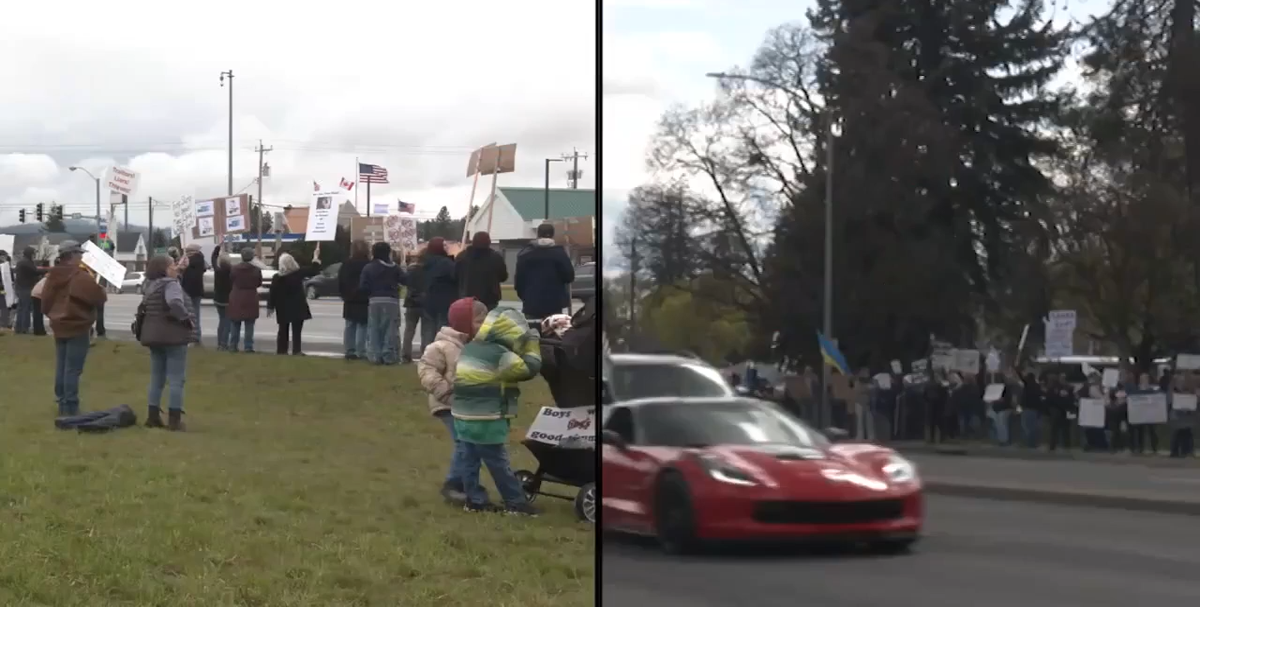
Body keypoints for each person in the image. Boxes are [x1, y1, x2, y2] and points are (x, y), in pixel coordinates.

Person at [452, 302, 542, 515]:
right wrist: (531, 344)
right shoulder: (499, 353)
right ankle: (516, 503)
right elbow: (529, 369)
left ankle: (474, 501)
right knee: (498, 462)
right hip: (487, 417)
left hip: (462, 415)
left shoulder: (470, 348)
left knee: (469, 460)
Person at [418, 297, 489, 504]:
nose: (483, 326)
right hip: (447, 404)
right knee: (464, 442)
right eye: (478, 321)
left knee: (473, 444)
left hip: (467, 404)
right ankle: (453, 484)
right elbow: (426, 370)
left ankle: (468, 484)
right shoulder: (441, 346)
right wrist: (445, 392)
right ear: (464, 322)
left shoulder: (475, 346)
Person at [41, 241, 108, 416]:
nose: (82, 257)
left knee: (62, 366)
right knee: (73, 369)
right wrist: (99, 287)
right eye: (79, 254)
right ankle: (70, 406)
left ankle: (62, 401)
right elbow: (98, 298)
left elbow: (45, 302)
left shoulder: (52, 275)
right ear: (71, 256)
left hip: (59, 326)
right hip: (78, 327)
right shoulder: (80, 276)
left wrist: (55, 316)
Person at [136, 254, 196, 430]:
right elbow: (175, 302)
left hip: (153, 335)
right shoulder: (171, 285)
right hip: (173, 336)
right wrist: (186, 319)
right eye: (172, 265)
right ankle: (174, 419)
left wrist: (180, 270)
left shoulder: (149, 285)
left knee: (157, 378)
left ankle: (153, 416)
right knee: (177, 379)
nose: (175, 267)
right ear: (164, 269)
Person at [267, 247, 322, 355]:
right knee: (297, 331)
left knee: (283, 330)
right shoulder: (298, 273)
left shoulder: (277, 278)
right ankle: (296, 350)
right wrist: (315, 257)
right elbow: (314, 270)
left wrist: (270, 306)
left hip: (282, 307)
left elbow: (272, 293)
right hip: (297, 306)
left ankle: (281, 350)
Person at [514, 222, 574, 321]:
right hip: (554, 302)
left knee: (533, 331)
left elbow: (519, 280)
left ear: (538, 234)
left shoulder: (525, 254)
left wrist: (525, 296)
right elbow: (569, 276)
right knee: (553, 331)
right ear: (553, 234)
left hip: (531, 301)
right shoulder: (559, 253)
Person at [359, 242, 406, 365]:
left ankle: (375, 355)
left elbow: (363, 286)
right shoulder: (394, 267)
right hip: (391, 300)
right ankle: (389, 355)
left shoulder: (368, 267)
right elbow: (405, 280)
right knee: (391, 329)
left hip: (374, 300)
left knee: (374, 328)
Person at [420, 236, 458, 349]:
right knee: (442, 331)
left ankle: (427, 352)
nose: (447, 247)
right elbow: (455, 277)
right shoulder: (446, 263)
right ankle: (440, 353)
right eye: (445, 245)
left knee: (428, 331)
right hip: (444, 301)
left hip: (428, 300)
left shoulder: (425, 263)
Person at [453, 231, 507, 311]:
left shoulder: (462, 257)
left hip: (466, 298)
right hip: (489, 298)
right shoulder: (495, 257)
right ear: (489, 242)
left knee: (469, 321)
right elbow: (503, 277)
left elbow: (455, 276)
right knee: (487, 322)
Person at [338, 241, 372, 361]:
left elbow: (341, 281)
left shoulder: (346, 264)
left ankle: (349, 350)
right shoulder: (368, 264)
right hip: (364, 298)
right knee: (363, 325)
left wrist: (344, 295)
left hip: (349, 298)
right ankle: (361, 351)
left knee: (350, 325)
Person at [226, 249, 263, 353]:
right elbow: (259, 283)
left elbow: (231, 279)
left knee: (235, 322)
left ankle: (233, 345)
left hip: (236, 295)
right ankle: (248, 346)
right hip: (250, 296)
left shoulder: (234, 269)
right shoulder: (256, 270)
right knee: (249, 324)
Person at [13, 247, 47, 334]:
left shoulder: (22, 262)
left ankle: (19, 328)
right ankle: (24, 328)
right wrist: (48, 270)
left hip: (20, 287)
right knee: (26, 308)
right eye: (33, 253)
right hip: (26, 287)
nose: (34, 255)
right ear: (30, 254)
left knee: (21, 308)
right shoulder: (26, 262)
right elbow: (35, 271)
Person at [179, 242, 207, 344]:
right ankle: (197, 336)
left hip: (188, 290)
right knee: (196, 314)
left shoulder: (189, 261)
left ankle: (190, 336)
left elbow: (180, 268)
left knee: (188, 314)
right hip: (197, 290)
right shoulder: (201, 260)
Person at [211, 245, 234, 350]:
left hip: (218, 299)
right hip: (227, 300)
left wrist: (217, 249)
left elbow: (213, 259)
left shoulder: (218, 271)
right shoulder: (231, 272)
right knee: (227, 323)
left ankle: (220, 342)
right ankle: (223, 344)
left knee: (221, 321)